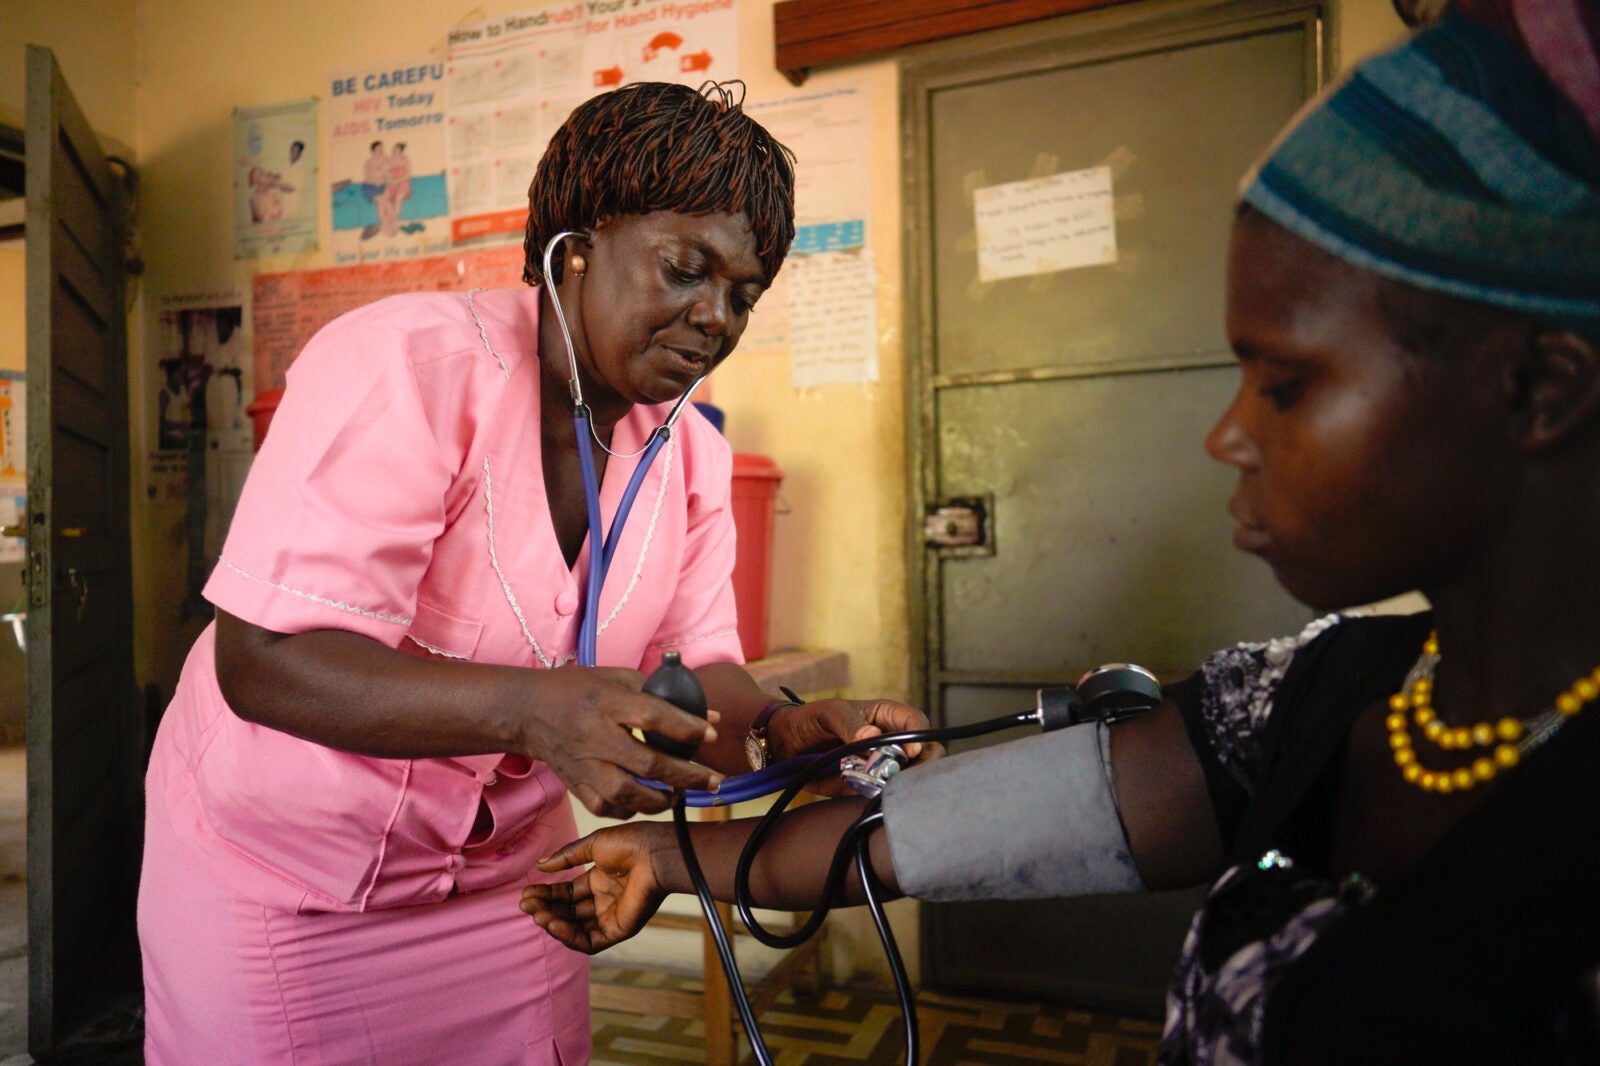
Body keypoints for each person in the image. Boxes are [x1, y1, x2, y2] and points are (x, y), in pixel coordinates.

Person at [523, 6, 1600, 1064]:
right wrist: (662, 857)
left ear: (1538, 388)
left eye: (1287, 383)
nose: (1226, 436)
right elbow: (918, 835)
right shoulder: (1312, 697)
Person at [137, 80, 933, 1065]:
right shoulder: (404, 368)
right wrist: (527, 709)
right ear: (576, 241)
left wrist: (780, 728)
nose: (715, 317)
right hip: (284, 880)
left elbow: (700, 674)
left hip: (515, 886)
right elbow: (263, 660)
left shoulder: (687, 455)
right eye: (687, 269)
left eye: (744, 293)